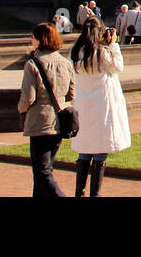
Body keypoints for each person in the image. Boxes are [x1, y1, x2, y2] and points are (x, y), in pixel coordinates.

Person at [69, 17, 130, 197]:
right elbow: (118, 67)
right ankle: (95, 193)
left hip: (84, 103)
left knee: (86, 149)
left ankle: (79, 191)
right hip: (102, 103)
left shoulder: (75, 52)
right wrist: (113, 45)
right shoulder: (101, 53)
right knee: (100, 150)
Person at [18, 22, 76, 198]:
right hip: (59, 120)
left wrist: (21, 110)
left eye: (33, 37)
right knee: (44, 170)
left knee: (43, 173)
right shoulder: (65, 63)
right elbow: (71, 93)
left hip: (40, 122)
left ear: (40, 40)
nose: (31, 40)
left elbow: (28, 97)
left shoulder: (33, 64)